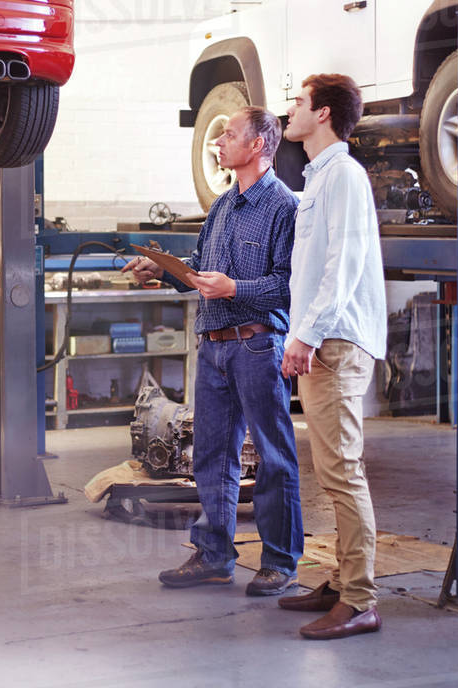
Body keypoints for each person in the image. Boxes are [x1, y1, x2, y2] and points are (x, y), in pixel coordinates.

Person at [123, 107, 303, 596]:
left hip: (258, 346)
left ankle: (280, 562)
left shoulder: (285, 208)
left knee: (273, 456)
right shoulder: (222, 208)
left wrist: (234, 289)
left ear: (259, 146)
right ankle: (214, 555)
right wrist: (161, 270)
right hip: (215, 348)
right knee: (212, 456)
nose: (218, 142)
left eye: (229, 134)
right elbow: (201, 271)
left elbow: (288, 287)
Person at [277, 74, 387, 639]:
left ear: (321, 114)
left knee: (343, 471)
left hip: (338, 341)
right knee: (331, 469)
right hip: (326, 338)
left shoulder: (343, 175)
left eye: (297, 101)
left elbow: (342, 263)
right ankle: (343, 581)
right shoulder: (320, 177)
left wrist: (308, 335)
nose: (289, 109)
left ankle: (361, 599)